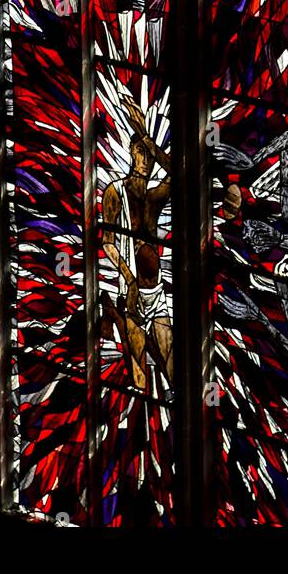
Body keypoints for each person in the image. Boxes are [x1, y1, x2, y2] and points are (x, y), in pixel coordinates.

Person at [101, 94, 173, 393]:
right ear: (131, 152)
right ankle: (116, 317)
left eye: (149, 153)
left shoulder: (155, 196)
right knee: (137, 376)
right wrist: (129, 279)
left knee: (171, 366)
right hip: (130, 292)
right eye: (140, 151)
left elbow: (177, 173)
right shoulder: (115, 192)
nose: (146, 159)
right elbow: (108, 242)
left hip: (155, 292)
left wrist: (146, 134)